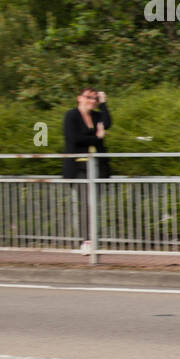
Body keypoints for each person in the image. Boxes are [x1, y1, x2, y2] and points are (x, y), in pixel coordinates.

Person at [62, 88, 113, 253]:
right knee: (86, 203)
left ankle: (93, 238)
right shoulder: (71, 115)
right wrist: (97, 138)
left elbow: (108, 123)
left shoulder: (97, 116)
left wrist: (104, 104)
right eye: (88, 97)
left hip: (97, 166)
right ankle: (87, 240)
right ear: (79, 98)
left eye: (95, 99)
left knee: (94, 203)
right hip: (79, 166)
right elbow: (74, 138)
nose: (92, 101)